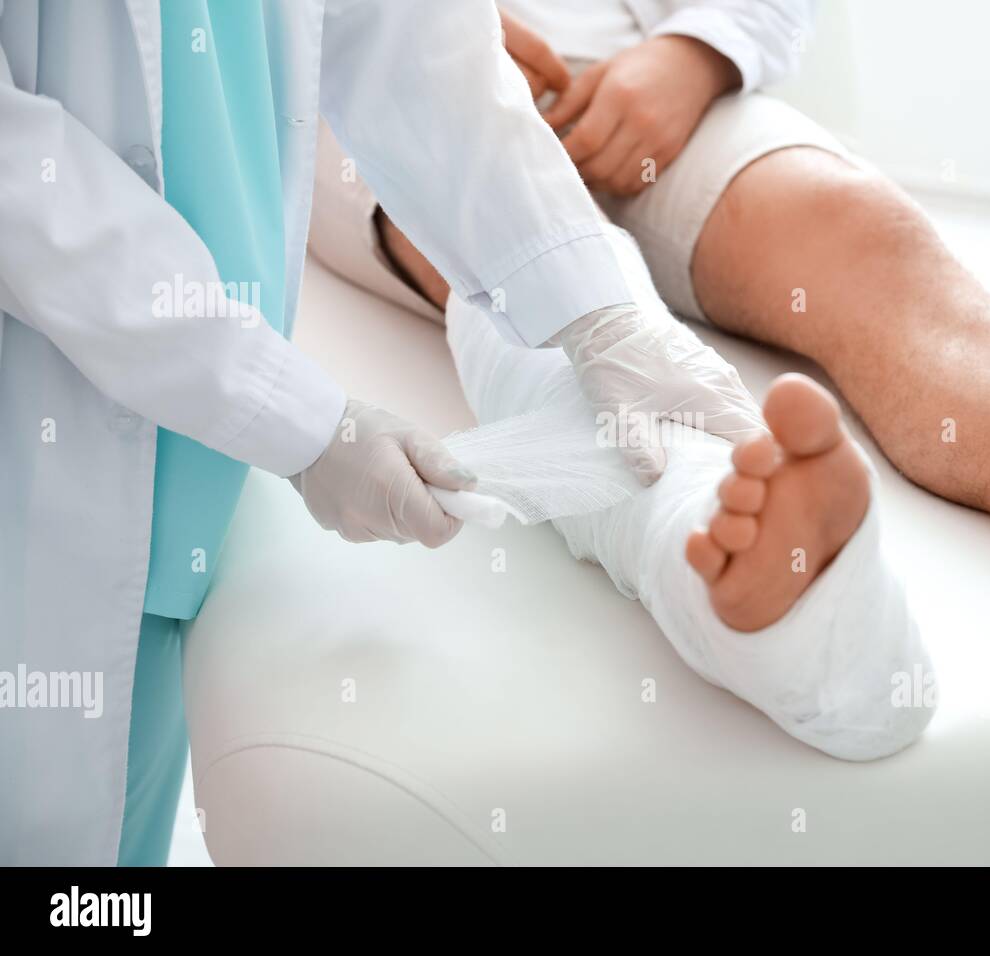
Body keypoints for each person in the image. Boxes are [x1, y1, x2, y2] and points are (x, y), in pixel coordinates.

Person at [311, 0, 990, 722]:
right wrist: (434, 55)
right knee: (494, 284)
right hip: (377, 107)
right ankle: (739, 563)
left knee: (857, 237)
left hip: (638, 75)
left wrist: (698, 51)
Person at [0, 0, 761, 866]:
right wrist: (299, 419)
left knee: (107, 866)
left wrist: (600, 313)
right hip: (35, 430)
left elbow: (420, 45)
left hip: (181, 475)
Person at [443, 225, 934, 760]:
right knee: (484, 279)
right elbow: (466, 200)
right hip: (539, 192)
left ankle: (705, 541)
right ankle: (729, 552)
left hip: (667, 161)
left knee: (650, 452)